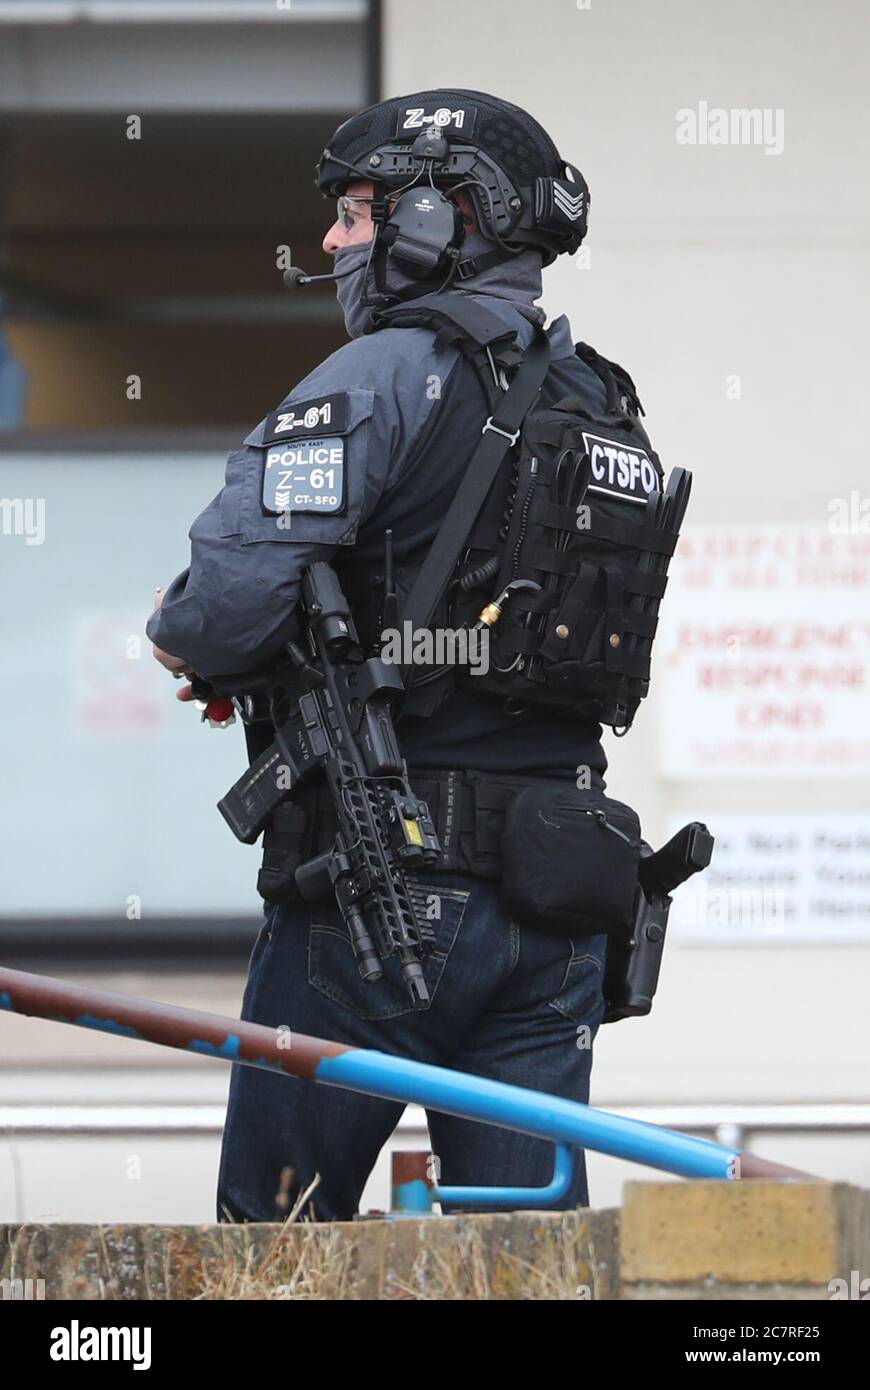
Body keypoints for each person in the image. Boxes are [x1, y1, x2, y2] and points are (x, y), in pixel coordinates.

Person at [147, 89, 650, 1222]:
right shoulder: (606, 405)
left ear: (439, 222)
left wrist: (198, 640)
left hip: (378, 893)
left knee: (277, 1249)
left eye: (357, 213)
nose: (331, 241)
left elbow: (220, 612)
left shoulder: (376, 379)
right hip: (561, 905)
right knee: (524, 1270)